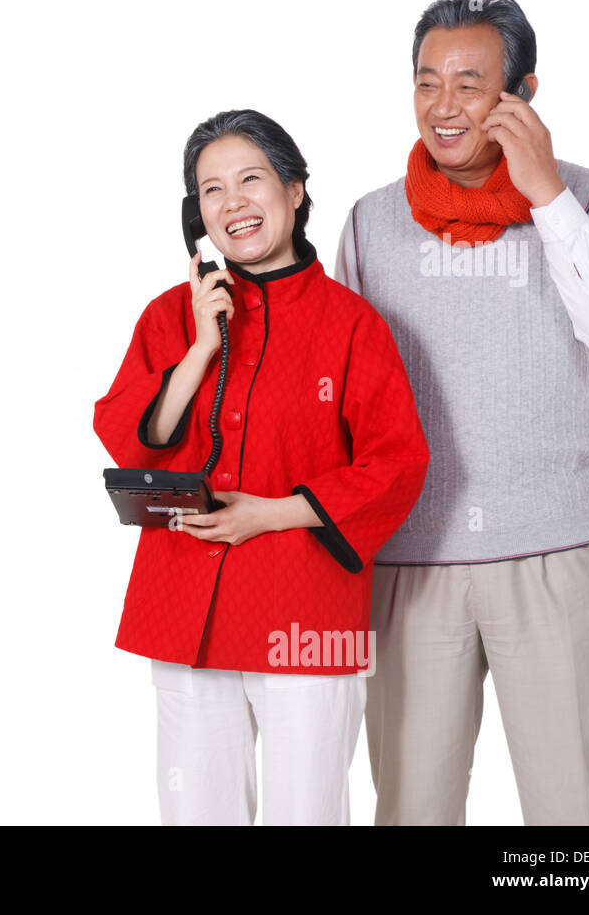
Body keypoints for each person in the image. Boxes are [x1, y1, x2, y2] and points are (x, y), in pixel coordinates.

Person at [334, 0, 589, 826]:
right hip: (410, 561)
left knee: (576, 813)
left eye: (470, 84)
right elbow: (345, 395)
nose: (445, 107)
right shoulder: (369, 224)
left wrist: (543, 193)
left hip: (551, 551)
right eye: (427, 82)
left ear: (523, 93)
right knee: (411, 805)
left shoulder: (582, 200)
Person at [94, 110, 429, 825]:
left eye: (252, 180)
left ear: (296, 189)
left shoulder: (353, 324)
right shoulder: (168, 317)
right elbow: (128, 438)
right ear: (196, 215)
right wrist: (198, 352)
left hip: (304, 612)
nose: (233, 204)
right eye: (212, 191)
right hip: (184, 608)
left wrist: (270, 513)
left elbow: (397, 463)